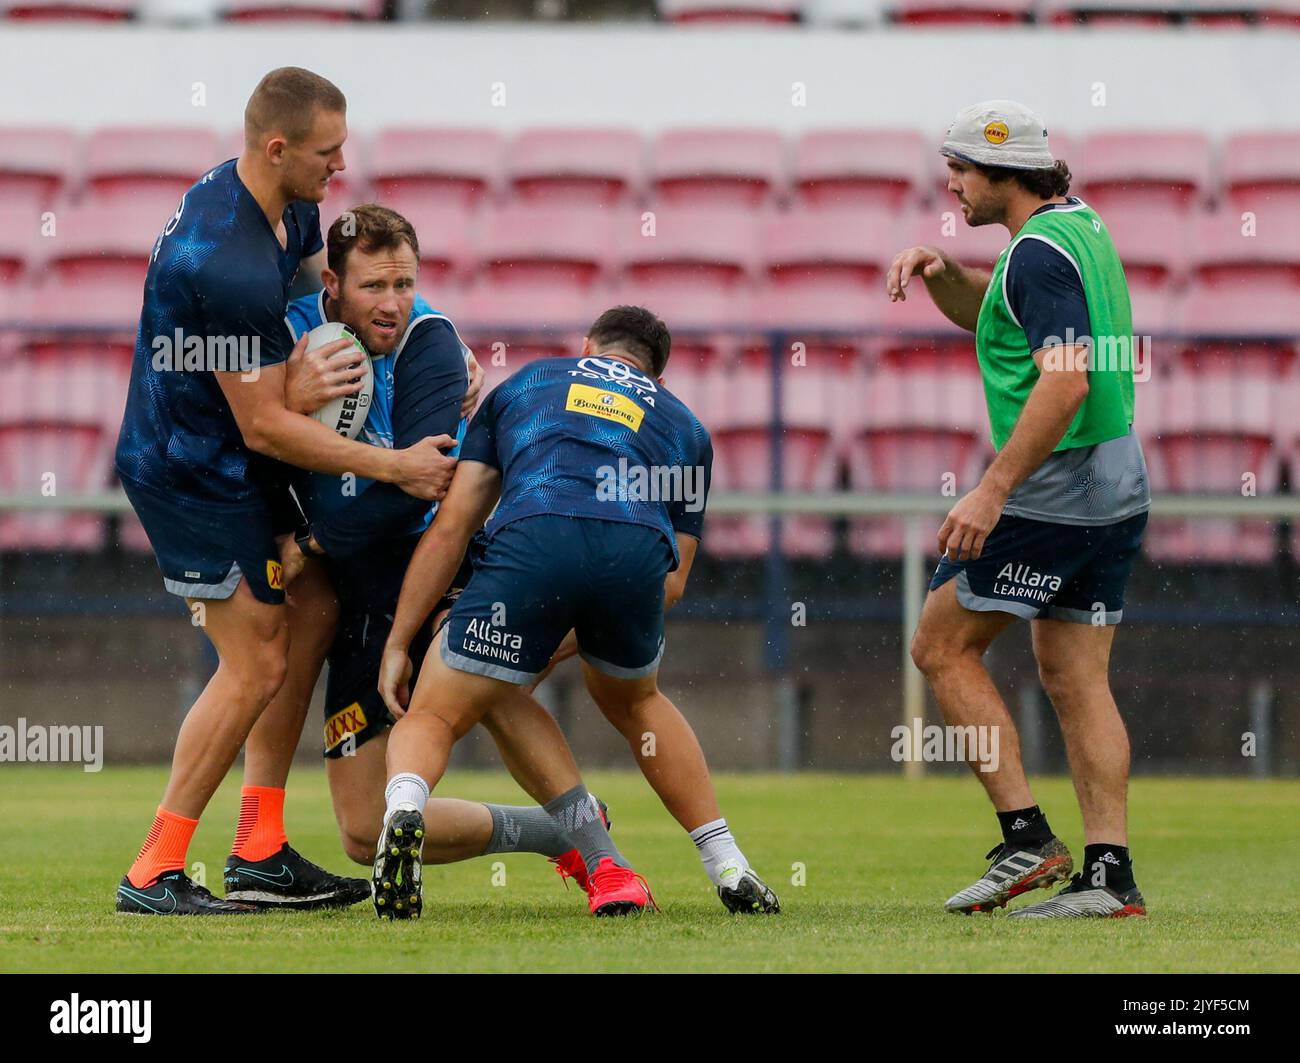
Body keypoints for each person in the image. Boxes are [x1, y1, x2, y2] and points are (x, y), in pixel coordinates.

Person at [112, 68, 457, 916]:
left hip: (235, 450)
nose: (342, 165)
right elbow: (266, 421)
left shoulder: (287, 207)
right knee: (257, 654)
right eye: (327, 152)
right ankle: (154, 867)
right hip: (190, 469)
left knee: (309, 611)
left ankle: (259, 849)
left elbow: (324, 312)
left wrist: (417, 358)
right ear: (277, 148)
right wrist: (396, 463)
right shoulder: (225, 263)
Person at [228, 204, 610, 906]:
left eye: (405, 283)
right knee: (361, 827)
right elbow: (248, 437)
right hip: (357, 600)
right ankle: (550, 834)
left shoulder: (431, 342)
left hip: (432, 575)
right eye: (375, 287)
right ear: (332, 287)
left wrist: (315, 533)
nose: (393, 302)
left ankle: (601, 852)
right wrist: (293, 417)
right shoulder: (288, 337)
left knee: (487, 688)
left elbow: (417, 489)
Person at [375, 306, 781, 919]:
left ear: (587, 348)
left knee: (435, 709)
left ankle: (406, 805)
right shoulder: (686, 428)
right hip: (635, 554)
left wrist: (401, 642)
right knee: (638, 703)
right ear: (658, 377)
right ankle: (727, 863)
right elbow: (672, 584)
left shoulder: (530, 383)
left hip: (535, 534)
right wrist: (574, 635)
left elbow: (452, 527)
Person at [887, 100, 1149, 918]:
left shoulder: (1035, 257)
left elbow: (1064, 378)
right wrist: (943, 273)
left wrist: (991, 488)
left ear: (1005, 173)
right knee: (1076, 677)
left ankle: (1026, 835)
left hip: (1055, 488)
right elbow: (999, 312)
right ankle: (1109, 876)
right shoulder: (1075, 228)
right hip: (1118, 478)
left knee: (938, 645)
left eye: (962, 169)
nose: (952, 184)